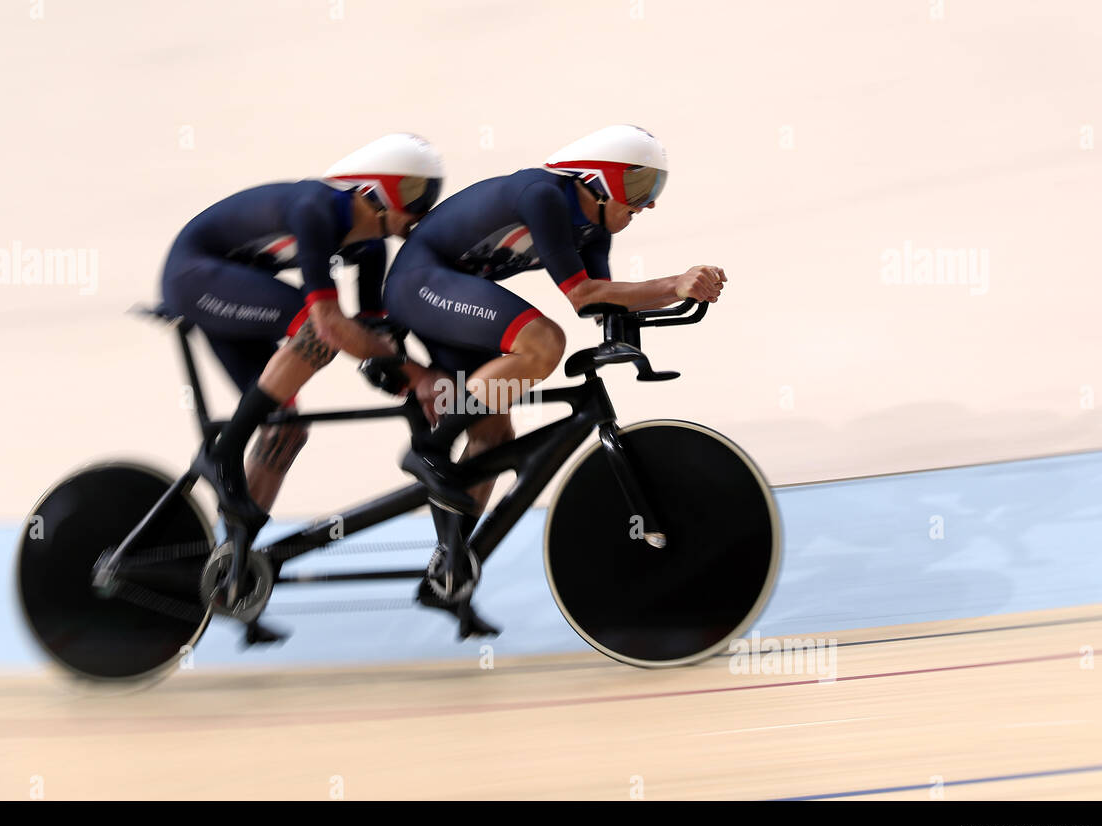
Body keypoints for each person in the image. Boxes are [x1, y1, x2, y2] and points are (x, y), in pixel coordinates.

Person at [383, 124, 726, 551]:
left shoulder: (594, 230)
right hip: (418, 284)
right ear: (596, 179)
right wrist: (675, 281)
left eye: (655, 185)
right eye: (638, 183)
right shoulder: (543, 196)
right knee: (543, 341)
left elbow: (606, 301)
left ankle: (450, 568)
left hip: (451, 300)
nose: (650, 201)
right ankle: (430, 449)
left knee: (492, 439)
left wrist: (683, 296)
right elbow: (583, 296)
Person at [159, 134, 446, 640]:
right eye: (415, 192)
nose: (424, 207)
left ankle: (235, 572)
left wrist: (410, 372)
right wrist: (411, 373)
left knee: (285, 432)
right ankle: (225, 454)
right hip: (195, 277)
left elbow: (376, 335)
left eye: (431, 193)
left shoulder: (369, 246)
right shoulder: (317, 208)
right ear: (375, 190)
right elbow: (332, 328)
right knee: (315, 326)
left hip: (235, 285)